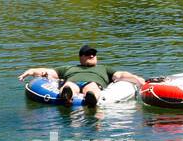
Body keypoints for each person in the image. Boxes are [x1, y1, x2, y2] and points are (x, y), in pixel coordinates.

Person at [18, 45, 146, 108]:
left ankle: (92, 99)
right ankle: (67, 96)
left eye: (94, 54)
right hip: (73, 82)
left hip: (92, 83)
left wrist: (135, 78)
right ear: (81, 57)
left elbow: (121, 75)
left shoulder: (104, 68)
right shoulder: (69, 68)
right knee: (68, 86)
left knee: (92, 87)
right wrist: (31, 71)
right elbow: (48, 72)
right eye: (88, 54)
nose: (91, 56)